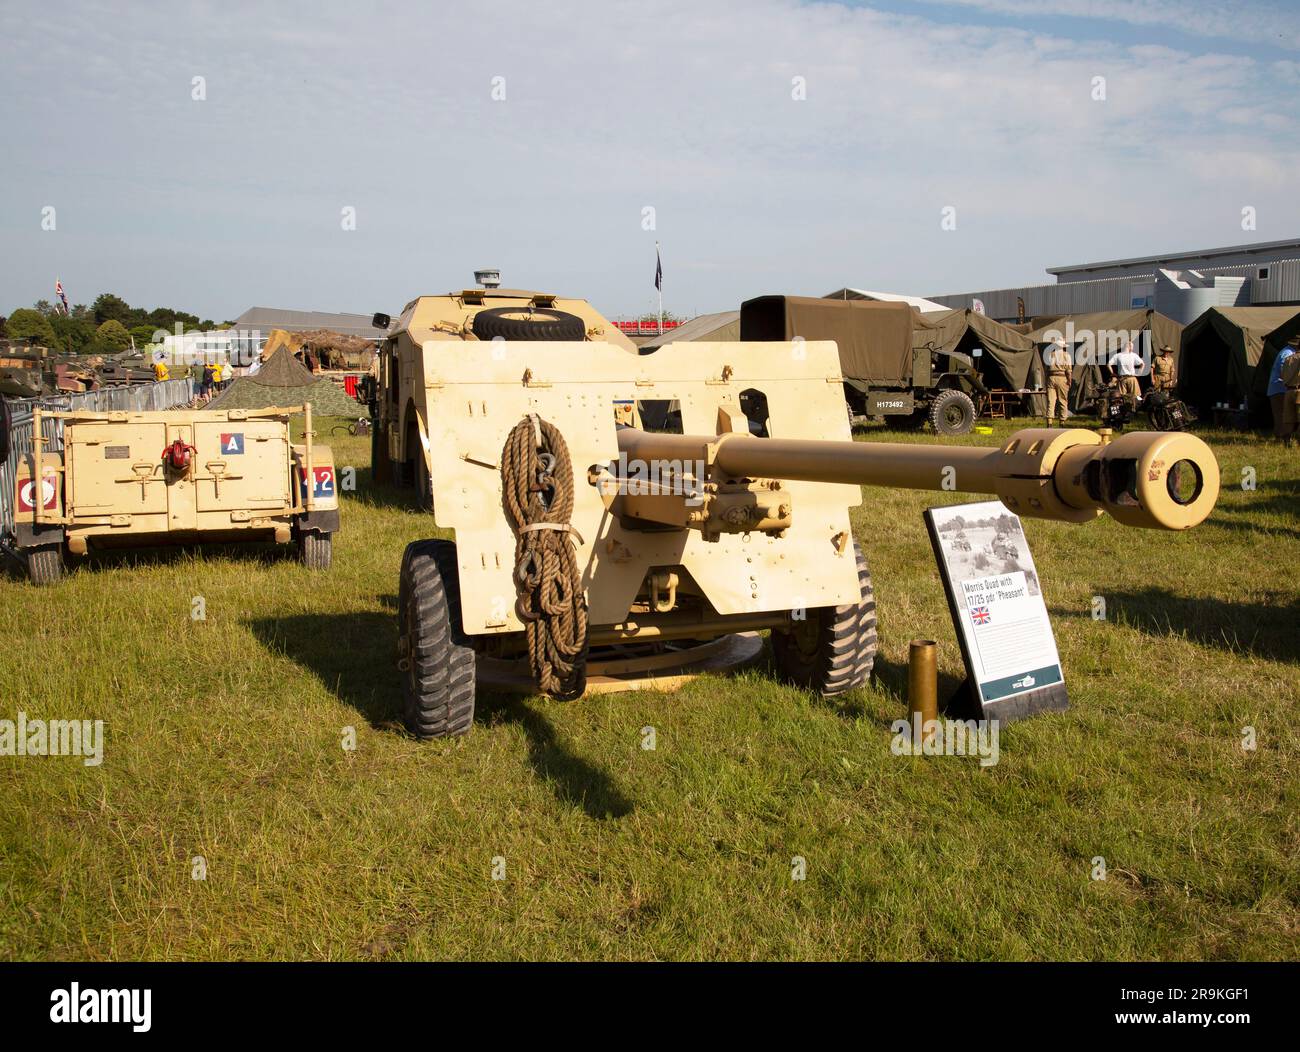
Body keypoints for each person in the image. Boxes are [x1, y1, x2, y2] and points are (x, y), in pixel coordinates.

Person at [1267, 340, 1297, 439]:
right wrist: (1290, 381)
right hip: (1279, 389)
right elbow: (1283, 369)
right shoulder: (1288, 353)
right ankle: (1280, 440)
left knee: (1284, 417)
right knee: (1281, 417)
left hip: (1280, 388)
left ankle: (1281, 439)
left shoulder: (1290, 352)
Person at [1108, 339, 1145, 411]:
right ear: (1128, 347)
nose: (1133, 348)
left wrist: (1113, 374)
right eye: (1132, 347)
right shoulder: (1132, 355)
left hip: (1122, 379)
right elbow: (1142, 364)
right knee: (1134, 396)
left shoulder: (1118, 355)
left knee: (1121, 396)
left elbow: (1108, 364)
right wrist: (1139, 373)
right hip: (1130, 378)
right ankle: (1132, 410)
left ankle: (1124, 411)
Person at [1045, 337, 1072, 423]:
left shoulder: (1050, 355)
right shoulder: (1066, 355)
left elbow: (1046, 369)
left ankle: (1049, 422)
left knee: (1051, 400)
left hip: (1051, 378)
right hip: (1061, 377)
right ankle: (1062, 422)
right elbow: (1068, 371)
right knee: (1063, 400)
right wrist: (1069, 381)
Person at [1279, 346, 1300, 447]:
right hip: (1299, 391)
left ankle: (1287, 443)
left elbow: (1282, 375)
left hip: (1288, 391)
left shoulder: (1288, 359)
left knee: (1288, 420)